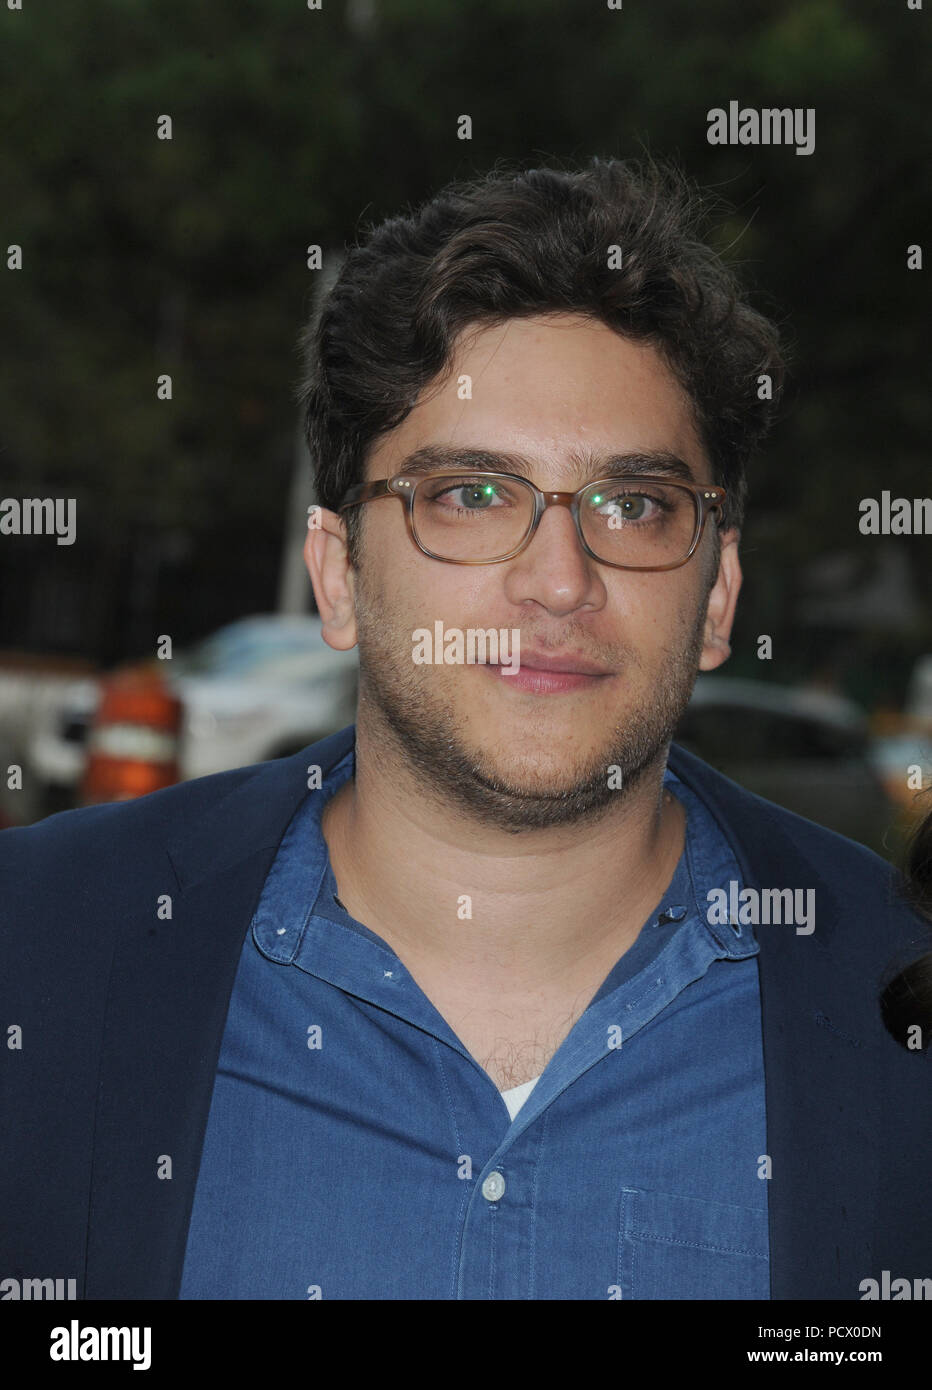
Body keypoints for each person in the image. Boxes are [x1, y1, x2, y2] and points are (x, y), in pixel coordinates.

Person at [2, 158, 929, 1302]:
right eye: (471, 496)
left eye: (633, 506)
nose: (556, 581)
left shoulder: (895, 1004)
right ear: (337, 575)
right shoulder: (37, 951)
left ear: (718, 596)